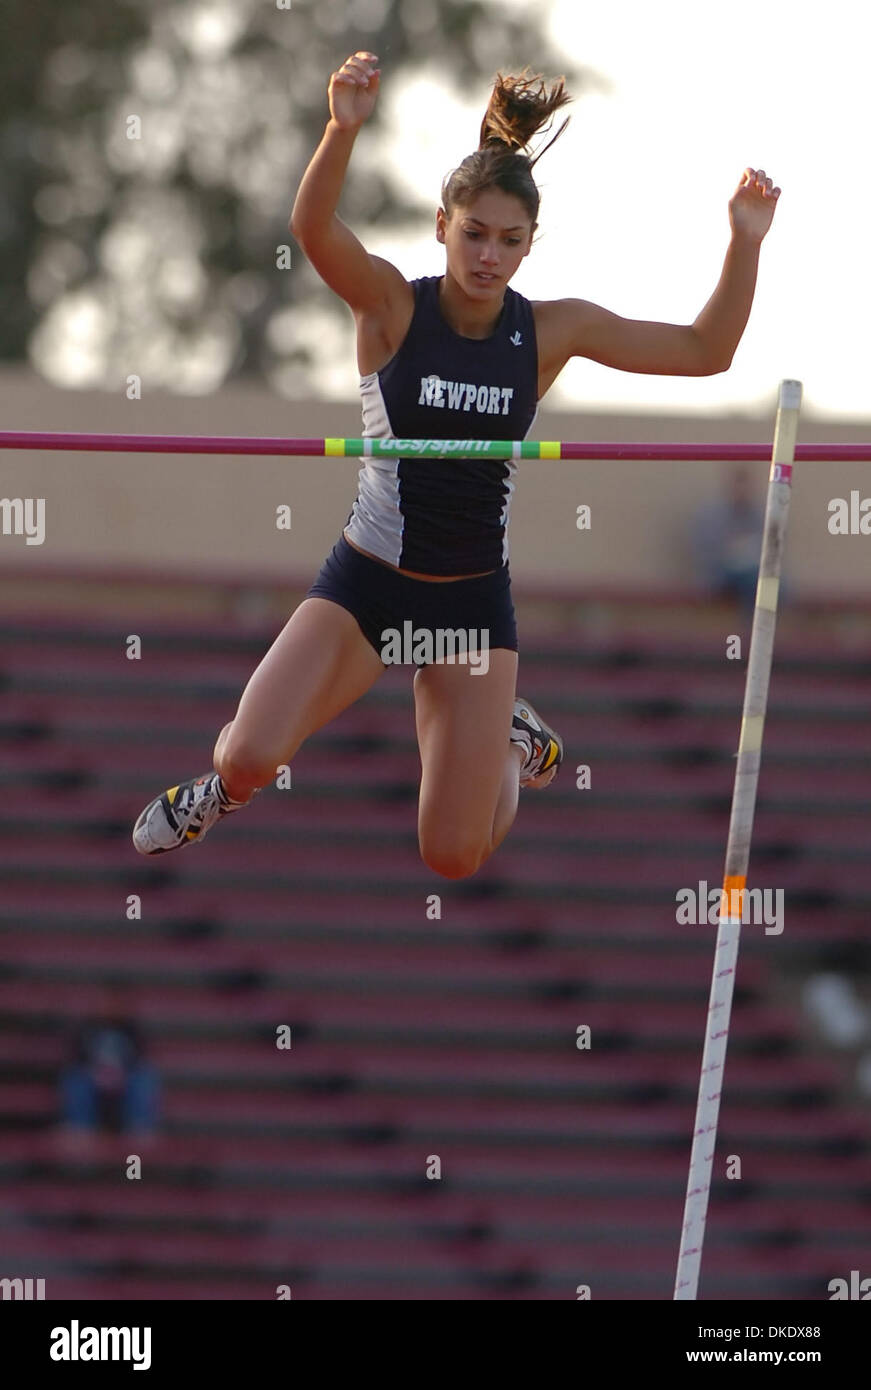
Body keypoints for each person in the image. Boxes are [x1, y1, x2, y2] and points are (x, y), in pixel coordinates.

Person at [133, 52, 780, 880]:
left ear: (528, 246)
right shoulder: (391, 306)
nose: (488, 256)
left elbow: (705, 351)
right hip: (365, 584)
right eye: (473, 234)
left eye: (509, 241)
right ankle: (214, 796)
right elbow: (313, 232)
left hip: (469, 606)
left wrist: (744, 242)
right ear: (442, 225)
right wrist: (342, 129)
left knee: (452, 855)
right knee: (251, 757)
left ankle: (513, 744)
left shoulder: (549, 331)